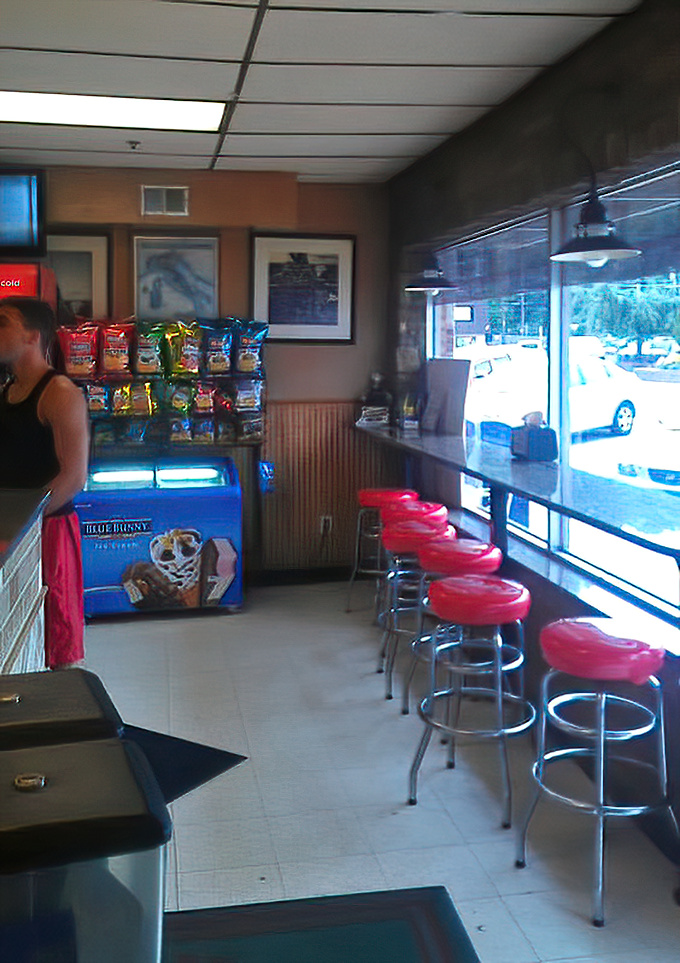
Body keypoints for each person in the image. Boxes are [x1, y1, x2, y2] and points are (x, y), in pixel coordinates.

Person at [0, 296, 89, 669]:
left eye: (3, 322)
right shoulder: (5, 392)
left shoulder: (60, 393)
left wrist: (21, 527)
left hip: (47, 532)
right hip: (12, 530)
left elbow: (73, 477)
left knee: (55, 637)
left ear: (33, 336)